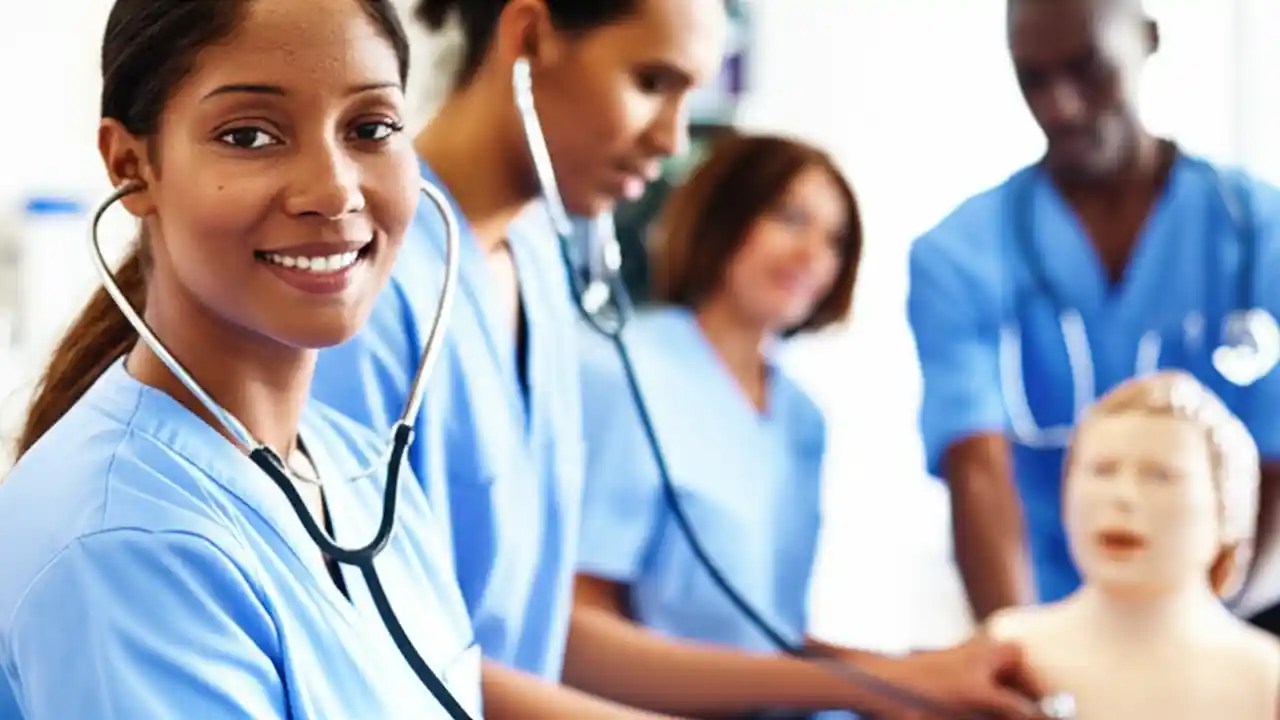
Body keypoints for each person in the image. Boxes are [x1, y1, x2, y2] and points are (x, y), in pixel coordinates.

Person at [0, 1, 481, 718]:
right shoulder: (124, 551)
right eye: (250, 135)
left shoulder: (358, 471)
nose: (335, 190)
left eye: (371, 128)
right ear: (131, 165)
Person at [312, 0, 726, 716]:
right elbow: (367, 653)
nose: (673, 140)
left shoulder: (538, 255)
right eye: (652, 82)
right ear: (529, 35)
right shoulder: (360, 285)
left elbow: (525, 627)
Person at [566, 133, 1051, 719]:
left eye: (836, 240)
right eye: (790, 218)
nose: (814, 254)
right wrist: (870, 687)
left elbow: (765, 641)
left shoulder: (800, 417)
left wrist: (912, 674)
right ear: (723, 216)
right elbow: (576, 646)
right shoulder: (623, 374)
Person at [907, 0, 1280, 628]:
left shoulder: (1260, 233)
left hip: (1237, 610)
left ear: (1148, 39)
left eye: (1089, 69)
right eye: (1033, 79)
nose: (1062, 106)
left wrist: (1201, 638)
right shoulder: (960, 253)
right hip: (1047, 618)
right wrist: (1026, 657)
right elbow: (977, 469)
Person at [986, 371, 1280, 719]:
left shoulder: (1262, 676)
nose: (1122, 497)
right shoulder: (1008, 650)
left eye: (1160, 476)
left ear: (1225, 506)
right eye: (1102, 470)